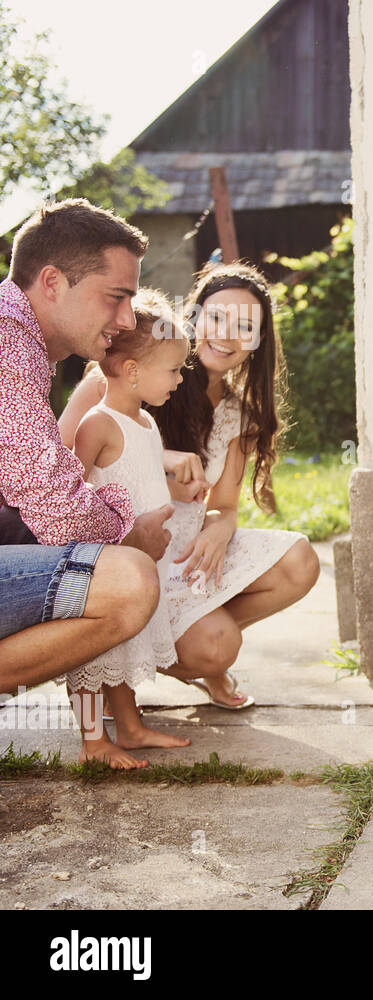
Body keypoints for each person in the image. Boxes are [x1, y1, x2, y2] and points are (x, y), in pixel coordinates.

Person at [61, 262, 319, 708]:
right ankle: (162, 658)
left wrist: (222, 526)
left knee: (300, 561)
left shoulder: (240, 413)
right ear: (194, 317)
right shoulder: (130, 373)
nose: (227, 334)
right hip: (133, 553)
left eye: (245, 326)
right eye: (216, 317)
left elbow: (223, 505)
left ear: (259, 341)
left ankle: (184, 647)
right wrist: (161, 464)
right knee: (217, 646)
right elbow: (63, 467)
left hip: (188, 554)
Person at [0, 199, 174, 699]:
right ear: (52, 282)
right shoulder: (9, 345)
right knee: (128, 581)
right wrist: (131, 530)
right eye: (115, 297)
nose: (126, 319)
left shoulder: (22, 342)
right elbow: (58, 512)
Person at [65, 290, 195, 767]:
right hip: (104, 559)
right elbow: (70, 496)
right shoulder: (97, 424)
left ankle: (132, 727)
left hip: (141, 561)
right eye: (174, 369)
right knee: (92, 653)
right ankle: (92, 741)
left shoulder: (144, 420)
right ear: (133, 370)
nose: (180, 380)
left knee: (120, 649)